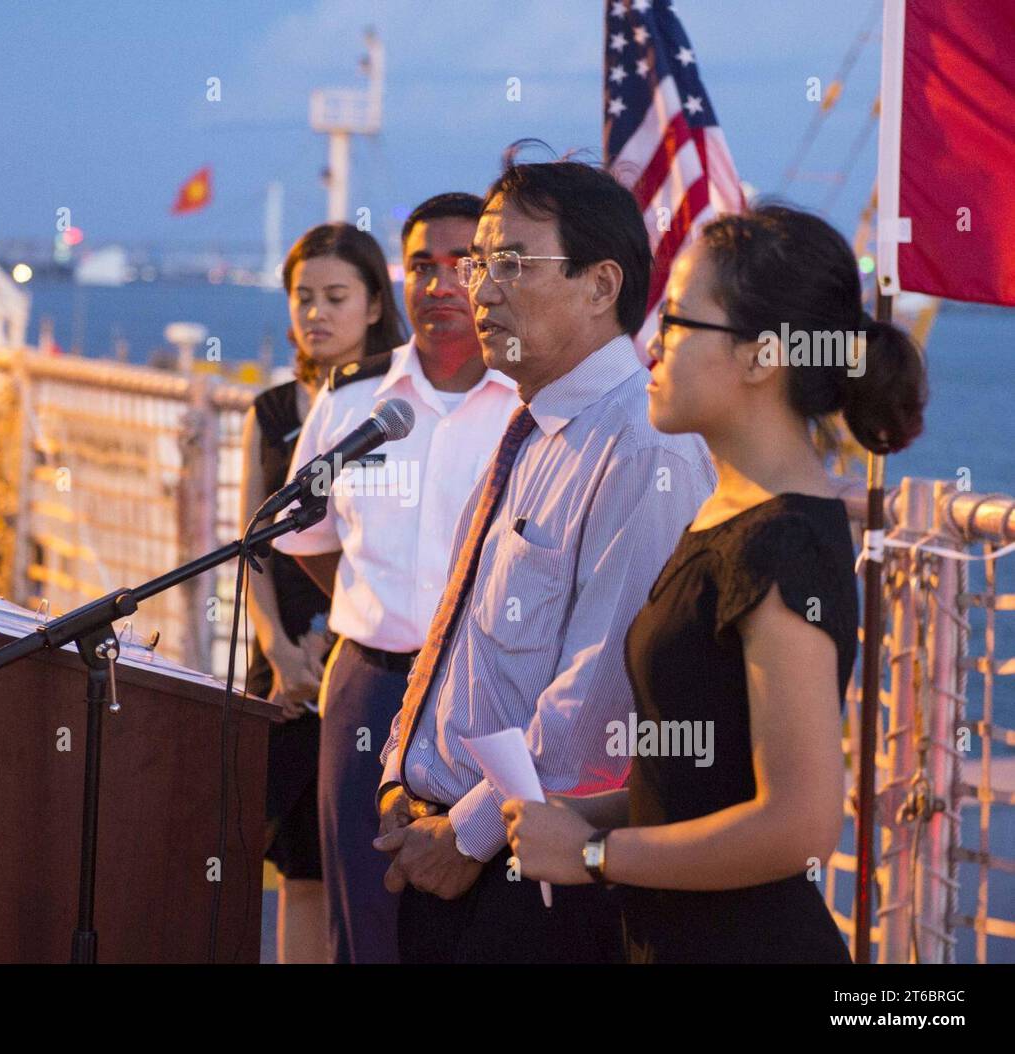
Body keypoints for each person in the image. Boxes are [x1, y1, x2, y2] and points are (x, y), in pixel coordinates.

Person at [501, 204, 927, 964]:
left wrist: (596, 855)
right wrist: (588, 816)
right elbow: (708, 779)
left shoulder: (782, 544)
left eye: (675, 323)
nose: (651, 348)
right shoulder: (727, 516)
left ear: (763, 357)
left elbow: (797, 826)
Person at [373, 151, 715, 964]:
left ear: (602, 286)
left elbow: (599, 701)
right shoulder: (533, 425)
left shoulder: (640, 447)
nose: (478, 290)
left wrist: (467, 835)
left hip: (528, 881)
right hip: (438, 845)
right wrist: (396, 771)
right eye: (479, 263)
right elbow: (459, 637)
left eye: (511, 263)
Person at [273, 193, 521, 963]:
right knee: (364, 912)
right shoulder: (351, 399)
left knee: (489, 911)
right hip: (368, 687)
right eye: (421, 265)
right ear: (399, 281)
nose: (441, 283)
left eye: (463, 264)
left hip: (491, 693)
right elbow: (304, 535)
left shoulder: (529, 404)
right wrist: (376, 600)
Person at [239, 223, 406, 963]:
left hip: (367, 650)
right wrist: (275, 647)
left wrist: (335, 641)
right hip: (283, 661)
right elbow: (252, 543)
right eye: (303, 298)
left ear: (374, 303)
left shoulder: (399, 403)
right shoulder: (274, 410)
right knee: (298, 866)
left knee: (371, 862)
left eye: (336, 296)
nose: (316, 313)